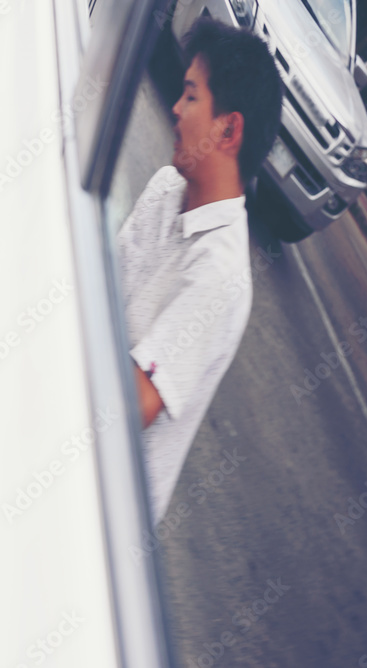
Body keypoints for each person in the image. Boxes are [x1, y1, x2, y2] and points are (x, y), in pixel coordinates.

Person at [116, 17, 283, 522]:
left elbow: (130, 406)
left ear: (228, 128)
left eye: (191, 96)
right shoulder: (168, 186)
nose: (175, 108)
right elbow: (99, 290)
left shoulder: (220, 277)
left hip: (102, 516)